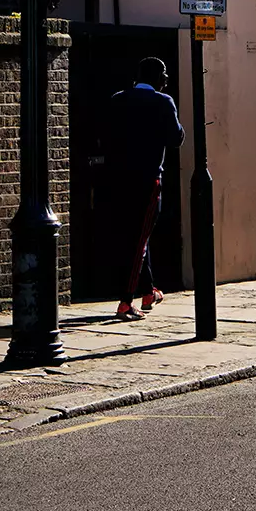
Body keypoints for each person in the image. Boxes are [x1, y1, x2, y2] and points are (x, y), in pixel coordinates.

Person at [103, 57, 185, 321]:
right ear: (159, 77)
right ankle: (126, 303)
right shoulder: (163, 102)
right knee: (138, 240)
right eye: (165, 76)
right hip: (148, 179)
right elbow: (176, 138)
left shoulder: (117, 99)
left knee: (135, 235)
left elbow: (106, 136)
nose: (167, 81)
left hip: (117, 178)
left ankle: (149, 292)